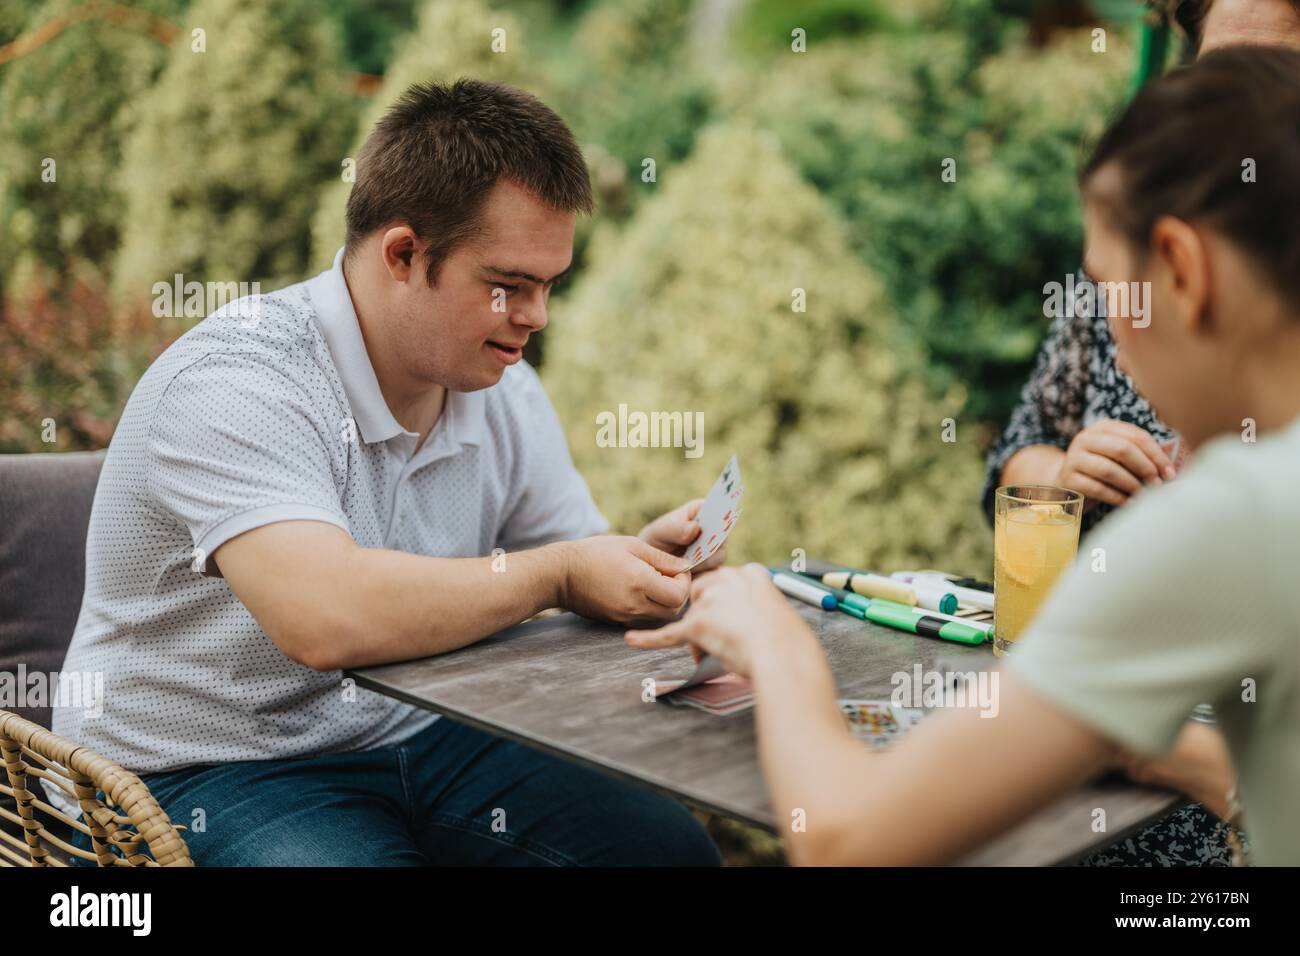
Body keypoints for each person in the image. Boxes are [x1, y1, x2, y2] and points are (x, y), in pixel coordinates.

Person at [629, 46, 1300, 866]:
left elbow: (848, 845)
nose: (1108, 333)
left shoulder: (1224, 515)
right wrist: (1168, 750)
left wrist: (774, 642)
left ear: (1183, 272)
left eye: (1108, 288)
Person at [50, 79, 722, 866]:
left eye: (549, 286)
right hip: (202, 769)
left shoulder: (497, 386)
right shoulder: (238, 380)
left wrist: (632, 574)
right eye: (510, 284)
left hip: (425, 735)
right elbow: (324, 618)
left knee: (665, 851)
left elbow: (564, 560)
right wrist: (562, 575)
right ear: (403, 253)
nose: (537, 316)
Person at [980, 0, 1300, 865]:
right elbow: (1012, 463)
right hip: (1078, 755)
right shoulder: (1129, 253)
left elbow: (855, 835)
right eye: (1217, 70)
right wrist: (1063, 472)